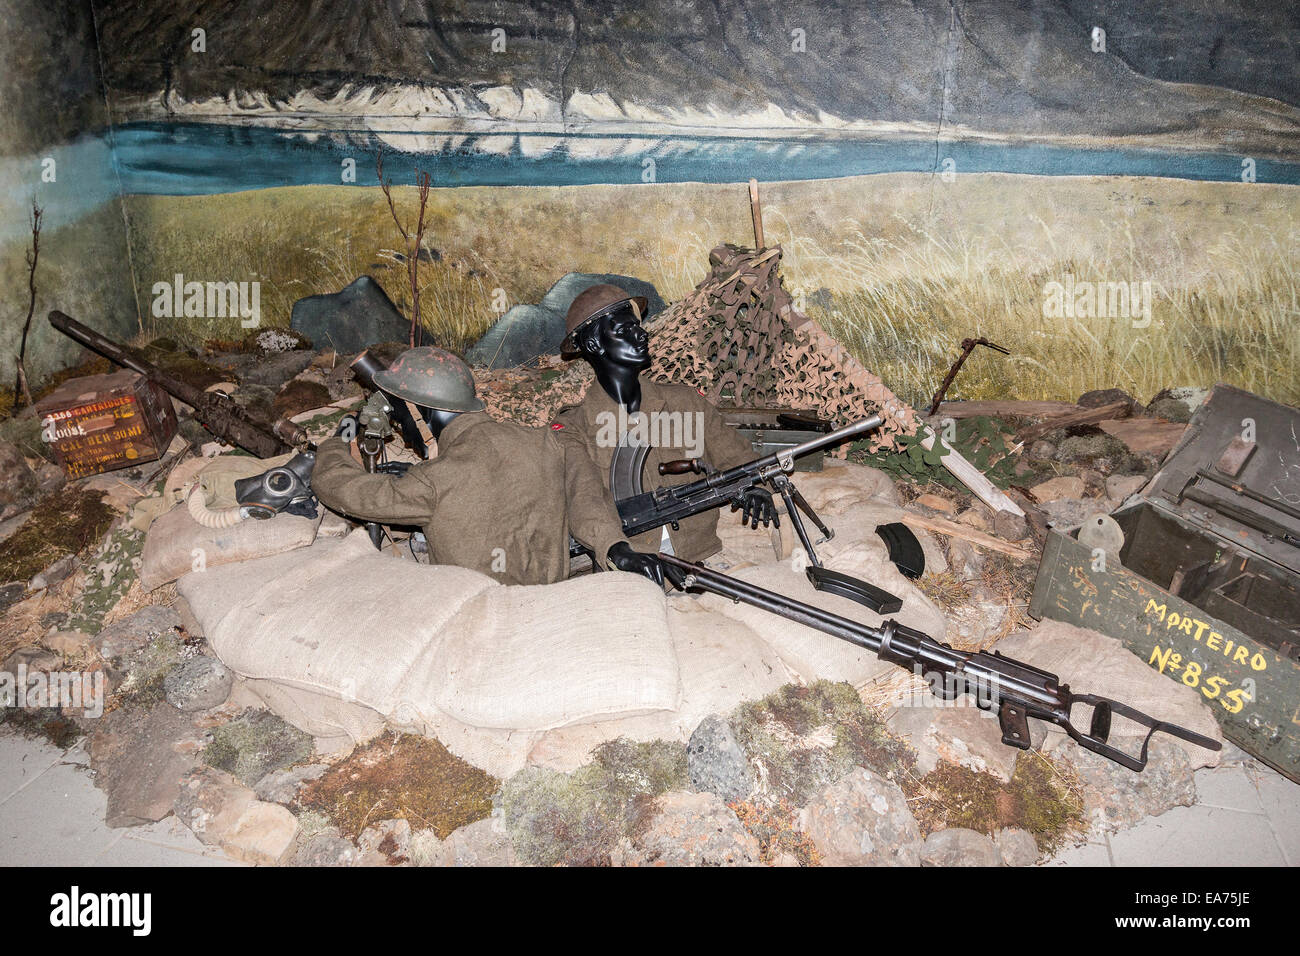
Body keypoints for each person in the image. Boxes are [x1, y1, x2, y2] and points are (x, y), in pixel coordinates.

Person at [311, 346, 663, 587]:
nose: (401, 430)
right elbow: (587, 499)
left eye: (401, 417)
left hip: (477, 618)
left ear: (422, 411)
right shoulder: (548, 441)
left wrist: (339, 440)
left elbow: (346, 491)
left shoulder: (433, 482)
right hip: (547, 605)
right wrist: (615, 547)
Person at [551, 283, 776, 563]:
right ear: (594, 344)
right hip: (631, 558)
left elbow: (737, 457)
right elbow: (582, 500)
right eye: (624, 330)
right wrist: (614, 549)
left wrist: (754, 485)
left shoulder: (685, 403)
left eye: (638, 325)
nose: (641, 334)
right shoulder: (573, 428)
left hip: (699, 555)